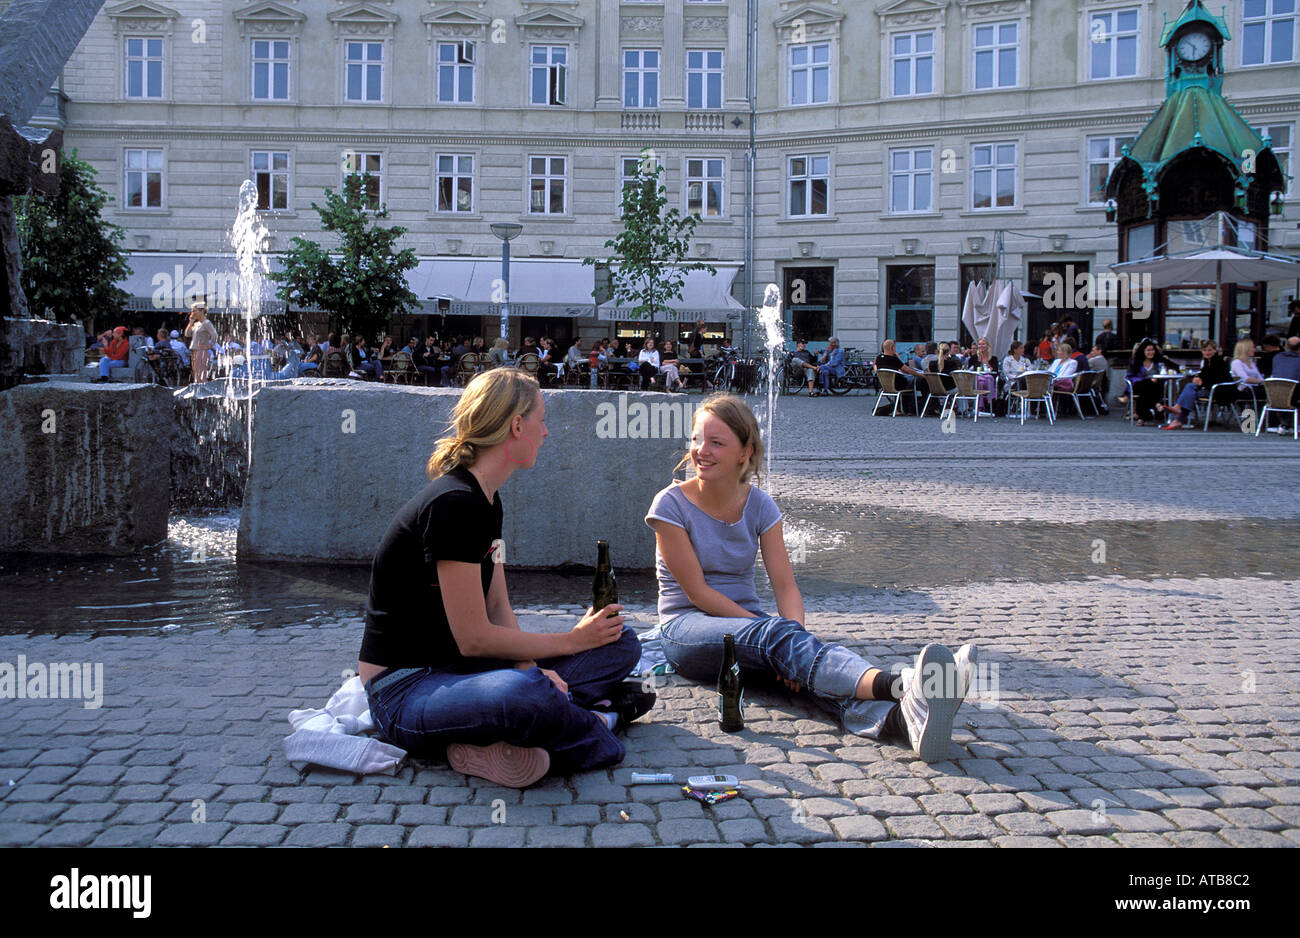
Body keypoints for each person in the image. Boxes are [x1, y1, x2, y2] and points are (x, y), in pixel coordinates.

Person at [357, 369, 653, 788]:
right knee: (524, 695)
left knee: (619, 641)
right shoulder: (453, 506)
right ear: (517, 425)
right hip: (405, 689)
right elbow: (474, 637)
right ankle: (603, 718)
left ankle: (506, 733)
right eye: (542, 420)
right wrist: (569, 643)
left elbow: (497, 607)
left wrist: (530, 665)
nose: (547, 432)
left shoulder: (488, 502)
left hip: (467, 672)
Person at [645, 394, 977, 762]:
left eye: (716, 442)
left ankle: (900, 721)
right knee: (782, 641)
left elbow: (786, 586)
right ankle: (904, 685)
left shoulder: (760, 505)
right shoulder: (669, 505)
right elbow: (700, 594)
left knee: (802, 666)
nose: (700, 450)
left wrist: (789, 637)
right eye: (696, 439)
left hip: (748, 630)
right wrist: (778, 636)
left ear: (744, 452)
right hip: (686, 630)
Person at [1156, 339, 1231, 429]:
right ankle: (1177, 418)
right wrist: (1197, 378)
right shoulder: (1207, 362)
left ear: (1215, 350)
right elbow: (1204, 374)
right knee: (1190, 392)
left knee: (1189, 389)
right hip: (1208, 389)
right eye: (1205, 350)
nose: (1207, 352)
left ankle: (1177, 416)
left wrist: (1202, 382)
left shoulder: (1219, 362)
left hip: (1219, 391)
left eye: (1210, 350)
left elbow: (1217, 379)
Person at [1125, 339, 1175, 425]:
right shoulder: (1136, 362)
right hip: (1138, 385)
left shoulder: (1159, 361)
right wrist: (1146, 380)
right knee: (1146, 384)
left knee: (1148, 389)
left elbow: (1175, 366)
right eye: (1148, 350)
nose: (1151, 352)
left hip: (1155, 387)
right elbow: (1130, 377)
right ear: (1143, 351)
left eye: (1152, 350)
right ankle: (1157, 404)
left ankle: (1143, 417)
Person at [184, 300, 218, 382]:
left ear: (202, 311)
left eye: (194, 311)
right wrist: (191, 322)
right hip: (194, 350)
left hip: (201, 351)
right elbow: (187, 334)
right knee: (196, 375)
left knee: (201, 376)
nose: (193, 313)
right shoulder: (197, 324)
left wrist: (209, 346)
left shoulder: (207, 323)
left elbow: (215, 335)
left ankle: (204, 393)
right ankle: (199, 392)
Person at [1229, 338, 1265, 410]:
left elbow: (1260, 377)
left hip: (1255, 388)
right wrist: (1263, 382)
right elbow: (1245, 379)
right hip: (1244, 390)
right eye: (1252, 347)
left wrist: (1265, 382)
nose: (1254, 349)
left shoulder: (1251, 363)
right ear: (1246, 349)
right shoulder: (1237, 363)